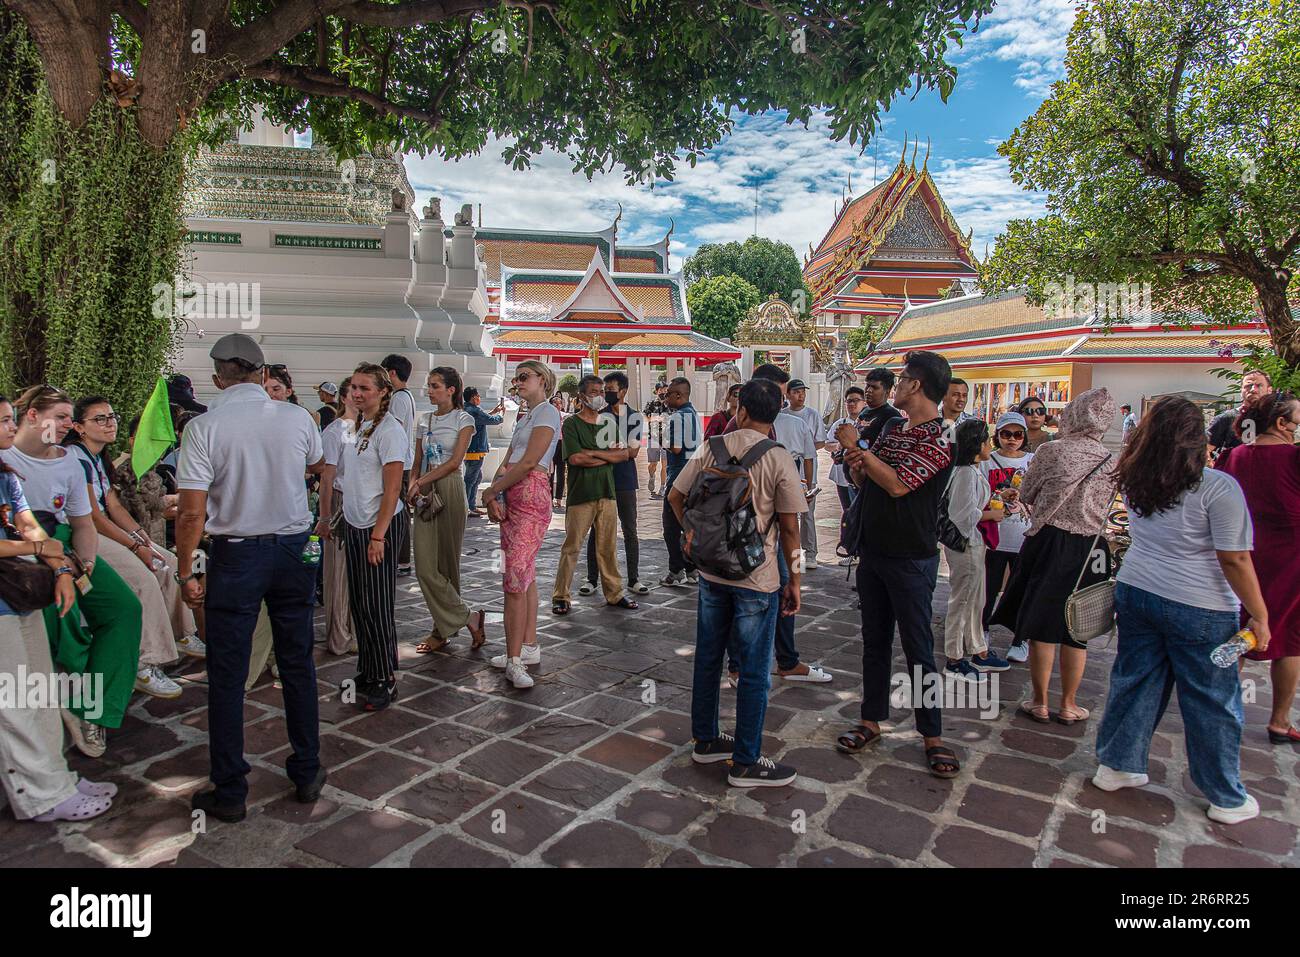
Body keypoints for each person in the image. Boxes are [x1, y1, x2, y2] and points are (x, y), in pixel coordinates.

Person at [174, 333, 327, 822]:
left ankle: (231, 789)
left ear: (219, 378)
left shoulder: (205, 427)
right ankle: (306, 770)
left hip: (237, 554)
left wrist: (184, 571)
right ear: (263, 375)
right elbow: (314, 465)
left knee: (227, 673)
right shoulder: (298, 417)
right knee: (298, 660)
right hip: (294, 550)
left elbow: (191, 514)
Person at [1095, 396, 1268, 825]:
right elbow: (1236, 559)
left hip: (1138, 590)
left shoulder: (1136, 477)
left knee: (1134, 680)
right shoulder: (1216, 487)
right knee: (1212, 700)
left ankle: (1117, 764)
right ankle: (1225, 794)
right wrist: (1260, 614)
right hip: (1201, 605)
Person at [670, 378, 804, 787]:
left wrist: (698, 536)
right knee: (754, 670)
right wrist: (794, 579)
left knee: (709, 657)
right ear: (775, 415)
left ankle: (706, 739)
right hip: (755, 577)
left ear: (740, 409)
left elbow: (675, 497)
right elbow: (791, 528)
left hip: (710, 572)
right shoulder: (778, 457)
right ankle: (746, 759)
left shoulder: (712, 448)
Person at [835, 350, 961, 779]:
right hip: (875, 550)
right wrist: (857, 464)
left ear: (917, 386)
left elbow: (899, 484)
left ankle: (933, 734)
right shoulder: (893, 430)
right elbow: (868, 479)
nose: (898, 384)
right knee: (874, 641)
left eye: (904, 378)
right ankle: (871, 719)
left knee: (918, 647)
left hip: (912, 555)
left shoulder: (941, 437)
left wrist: (859, 450)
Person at [1, 386, 142, 760]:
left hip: (63, 543)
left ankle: (94, 710)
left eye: (69, 418)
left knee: (123, 610)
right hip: (20, 550)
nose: (67, 425)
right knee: (47, 618)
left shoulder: (68, 463)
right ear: (32, 415)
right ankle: (49, 719)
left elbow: (82, 524)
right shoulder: (6, 456)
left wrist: (87, 565)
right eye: (60, 417)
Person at [990, 388, 1118, 725]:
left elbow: (1028, 491)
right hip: (1092, 547)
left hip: (1050, 540)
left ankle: (1040, 701)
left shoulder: (1050, 451)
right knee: (1078, 627)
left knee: (1044, 624)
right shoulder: (1111, 459)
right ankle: (1070, 703)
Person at [66, 396, 205, 700]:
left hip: (107, 529)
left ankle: (183, 634)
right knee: (144, 578)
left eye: (111, 416)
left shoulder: (98, 458)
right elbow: (93, 515)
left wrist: (142, 537)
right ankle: (145, 661)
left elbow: (113, 505)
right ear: (79, 427)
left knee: (167, 559)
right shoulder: (75, 457)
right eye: (99, 419)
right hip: (86, 535)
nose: (109, 422)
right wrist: (135, 546)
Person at [1216, 391, 1300, 745]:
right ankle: (1279, 719)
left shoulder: (1234, 455)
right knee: (1291, 639)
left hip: (1242, 553)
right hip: (1290, 556)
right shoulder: (1293, 458)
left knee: (1239, 628)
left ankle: (1222, 709)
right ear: (1281, 424)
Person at [482, 360, 561, 689]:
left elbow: (530, 461)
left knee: (514, 578)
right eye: (515, 379)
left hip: (530, 492)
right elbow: (510, 459)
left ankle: (514, 658)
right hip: (512, 491)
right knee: (522, 573)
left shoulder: (547, 412)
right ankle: (527, 646)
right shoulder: (526, 416)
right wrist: (494, 495)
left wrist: (494, 489)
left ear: (542, 379)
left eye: (524, 377)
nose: (518, 383)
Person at [337, 363, 407, 711]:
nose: (357, 393)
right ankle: (367, 669)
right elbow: (346, 465)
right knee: (360, 602)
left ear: (383, 391)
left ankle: (386, 677)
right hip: (355, 522)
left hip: (379, 526)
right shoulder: (361, 425)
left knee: (378, 605)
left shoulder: (390, 430)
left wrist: (378, 536)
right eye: (353, 387)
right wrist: (350, 412)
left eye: (365, 388)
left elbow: (393, 488)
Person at [409, 367, 487, 654]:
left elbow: (456, 462)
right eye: (429, 385)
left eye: (435, 385)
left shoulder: (464, 419)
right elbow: (416, 459)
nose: (429, 390)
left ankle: (441, 630)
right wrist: (412, 484)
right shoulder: (425, 419)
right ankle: (470, 617)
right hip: (424, 487)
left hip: (450, 487)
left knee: (447, 563)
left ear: (451, 389)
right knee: (425, 567)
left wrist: (421, 482)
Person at [552, 375, 638, 615]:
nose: (599, 395)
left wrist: (593, 453)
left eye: (601, 390)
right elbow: (576, 459)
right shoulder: (572, 424)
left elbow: (624, 455)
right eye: (593, 391)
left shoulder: (608, 423)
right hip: (582, 494)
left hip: (607, 492)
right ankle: (561, 595)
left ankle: (615, 592)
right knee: (572, 546)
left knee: (608, 546)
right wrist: (604, 454)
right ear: (581, 396)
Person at [943, 419, 1010, 681]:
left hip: (973, 543)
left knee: (975, 600)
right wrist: (991, 514)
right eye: (987, 440)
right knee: (962, 600)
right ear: (977, 444)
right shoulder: (965, 473)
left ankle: (977, 648)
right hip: (965, 543)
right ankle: (954, 657)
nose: (990, 445)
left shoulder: (970, 470)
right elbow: (961, 514)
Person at [581, 371, 647, 597]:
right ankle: (592, 578)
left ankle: (634, 578)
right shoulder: (599, 416)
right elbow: (594, 448)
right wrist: (613, 451)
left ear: (623, 390)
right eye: (605, 390)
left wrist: (605, 452)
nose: (607, 394)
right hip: (602, 479)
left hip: (626, 480)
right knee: (596, 530)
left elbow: (632, 451)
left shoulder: (635, 417)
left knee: (630, 530)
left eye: (610, 390)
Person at [980, 411, 1036, 663]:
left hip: (1023, 533)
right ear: (997, 435)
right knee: (988, 588)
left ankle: (1020, 638)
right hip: (995, 535)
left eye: (1017, 434)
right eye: (1006, 434)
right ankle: (982, 630)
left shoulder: (1033, 461)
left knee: (1021, 589)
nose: (1011, 439)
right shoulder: (987, 461)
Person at [314, 376, 357, 656]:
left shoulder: (369, 429)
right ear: (343, 397)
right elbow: (327, 478)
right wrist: (325, 517)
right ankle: (339, 634)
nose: (360, 397)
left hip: (364, 504)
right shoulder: (334, 431)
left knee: (357, 573)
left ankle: (356, 630)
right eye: (355, 392)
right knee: (338, 572)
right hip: (341, 502)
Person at [659, 377, 702, 588]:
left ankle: (676, 570)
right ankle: (693, 568)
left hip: (677, 475)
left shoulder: (676, 418)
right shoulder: (694, 414)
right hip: (694, 474)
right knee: (689, 523)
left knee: (671, 526)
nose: (665, 398)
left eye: (668, 394)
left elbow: (675, 448)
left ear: (678, 395)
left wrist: (661, 439)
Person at [380, 354, 418, 576]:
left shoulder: (399, 399)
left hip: (399, 460)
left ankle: (401, 559)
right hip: (403, 459)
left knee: (398, 511)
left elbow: (392, 426)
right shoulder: (405, 396)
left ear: (391, 373)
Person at [786, 378, 827, 568]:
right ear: (787, 395)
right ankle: (790, 555)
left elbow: (820, 441)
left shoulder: (812, 415)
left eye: (803, 392)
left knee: (807, 513)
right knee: (788, 514)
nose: (800, 395)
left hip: (807, 466)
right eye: (796, 392)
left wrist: (805, 451)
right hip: (787, 468)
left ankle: (810, 552)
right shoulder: (782, 415)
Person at [1208, 369, 1272, 462]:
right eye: (1248, 386)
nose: (1253, 389)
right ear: (1241, 390)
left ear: (1269, 390)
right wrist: (1216, 471)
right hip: (1233, 475)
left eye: (1259, 385)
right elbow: (1204, 450)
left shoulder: (1278, 420)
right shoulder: (1226, 418)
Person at [463, 387, 504, 518]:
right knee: (471, 479)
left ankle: (471, 505)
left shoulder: (467, 409)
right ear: (473, 397)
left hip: (470, 449)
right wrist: (501, 414)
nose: (479, 398)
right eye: (478, 396)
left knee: (476, 477)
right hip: (475, 449)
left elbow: (483, 418)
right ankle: (467, 506)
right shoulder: (474, 410)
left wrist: (493, 411)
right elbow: (494, 421)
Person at [827, 386, 867, 512]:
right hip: (841, 474)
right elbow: (827, 444)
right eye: (849, 401)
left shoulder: (867, 424)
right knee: (847, 509)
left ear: (864, 402)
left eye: (856, 400)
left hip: (860, 472)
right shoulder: (839, 423)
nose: (852, 404)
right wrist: (837, 446)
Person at [858, 368, 904, 444]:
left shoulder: (892, 417)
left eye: (874, 387)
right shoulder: (864, 410)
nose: (868, 390)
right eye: (867, 385)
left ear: (887, 392)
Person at [644, 382, 669, 497]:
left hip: (667, 438)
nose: (664, 392)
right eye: (661, 390)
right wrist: (657, 418)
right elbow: (647, 417)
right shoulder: (651, 404)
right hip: (653, 437)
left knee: (665, 465)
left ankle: (663, 487)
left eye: (665, 390)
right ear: (657, 391)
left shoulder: (670, 405)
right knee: (653, 464)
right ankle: (651, 476)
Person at [549, 393, 569, 510]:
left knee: (561, 473)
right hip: (552, 445)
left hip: (562, 444)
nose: (557, 405)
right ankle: (550, 498)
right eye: (555, 403)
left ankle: (559, 499)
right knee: (550, 473)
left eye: (559, 403)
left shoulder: (565, 416)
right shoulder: (548, 416)